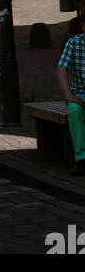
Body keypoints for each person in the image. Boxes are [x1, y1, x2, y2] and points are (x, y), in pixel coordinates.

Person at [57, 20, 85, 177]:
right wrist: (69, 96)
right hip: (80, 94)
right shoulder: (74, 43)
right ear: (83, 27)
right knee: (74, 111)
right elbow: (61, 69)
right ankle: (81, 159)